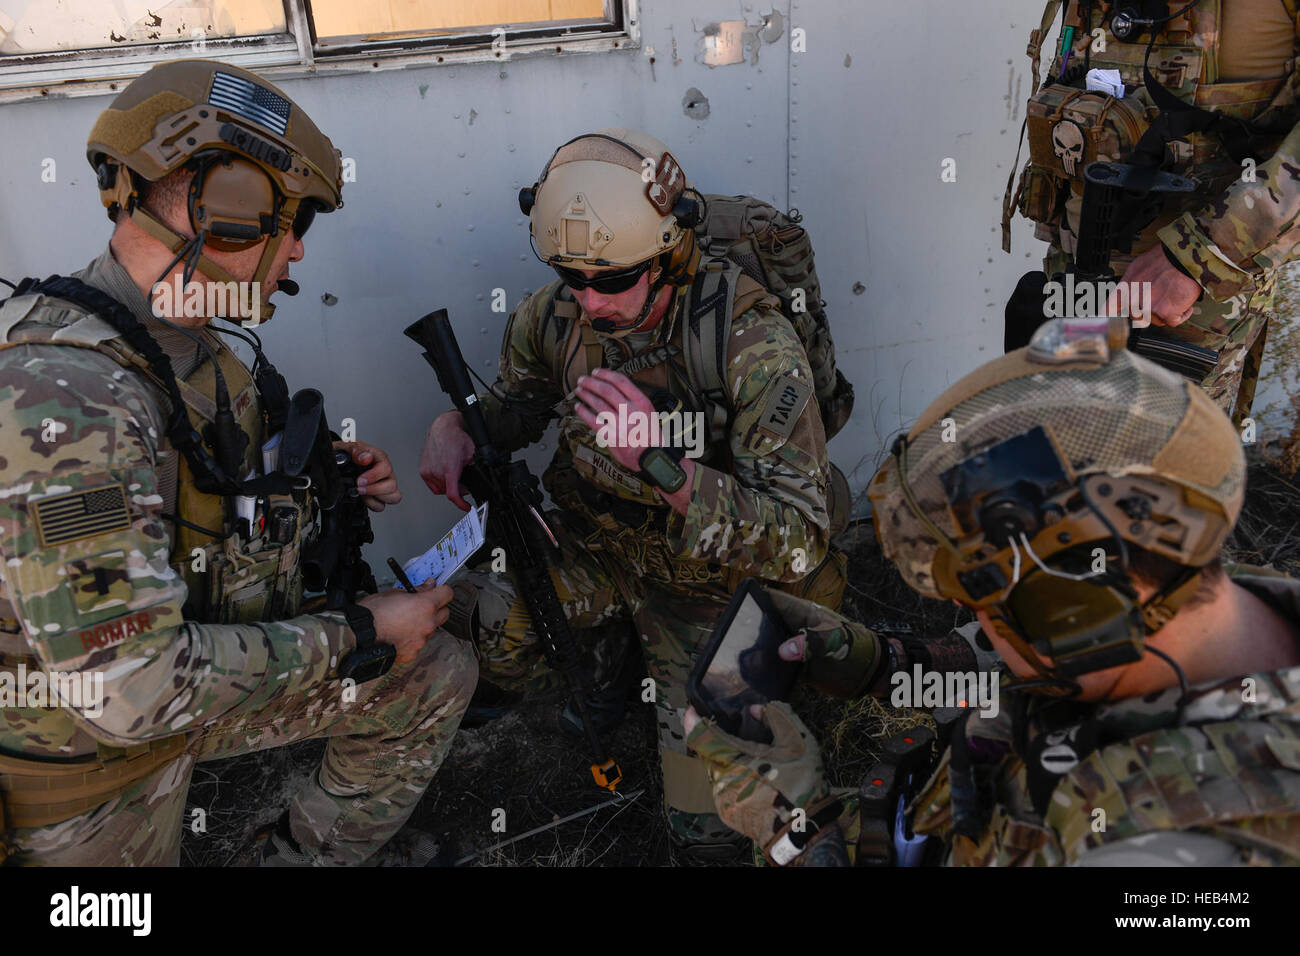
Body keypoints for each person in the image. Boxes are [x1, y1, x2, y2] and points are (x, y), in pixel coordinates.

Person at [0, 59, 475, 866]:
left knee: (431, 672)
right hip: (86, 753)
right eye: (289, 222)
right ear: (216, 208)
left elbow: (205, 484)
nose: (294, 251)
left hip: (168, 683)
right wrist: (358, 628)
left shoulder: (182, 340)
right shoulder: (68, 398)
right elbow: (132, 691)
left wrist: (324, 481)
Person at [687, 318, 1300, 866]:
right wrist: (881, 663)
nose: (966, 612)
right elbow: (1008, 655)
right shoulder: (1218, 602)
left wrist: (798, 829)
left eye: (981, 598)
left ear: (1068, 614)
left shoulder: (1173, 850)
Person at [420, 128, 838, 855]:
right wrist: (457, 424)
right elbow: (519, 409)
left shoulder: (751, 340)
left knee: (704, 828)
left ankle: (685, 663)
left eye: (612, 281)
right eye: (571, 276)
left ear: (670, 254)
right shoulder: (553, 316)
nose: (589, 301)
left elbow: (800, 537)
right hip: (595, 546)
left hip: (703, 584)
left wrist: (661, 464)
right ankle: (612, 653)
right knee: (477, 622)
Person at [1003, 0, 1300, 424]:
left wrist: (1200, 256)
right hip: (1074, 273)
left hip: (1186, 300)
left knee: (1154, 478)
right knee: (1060, 461)